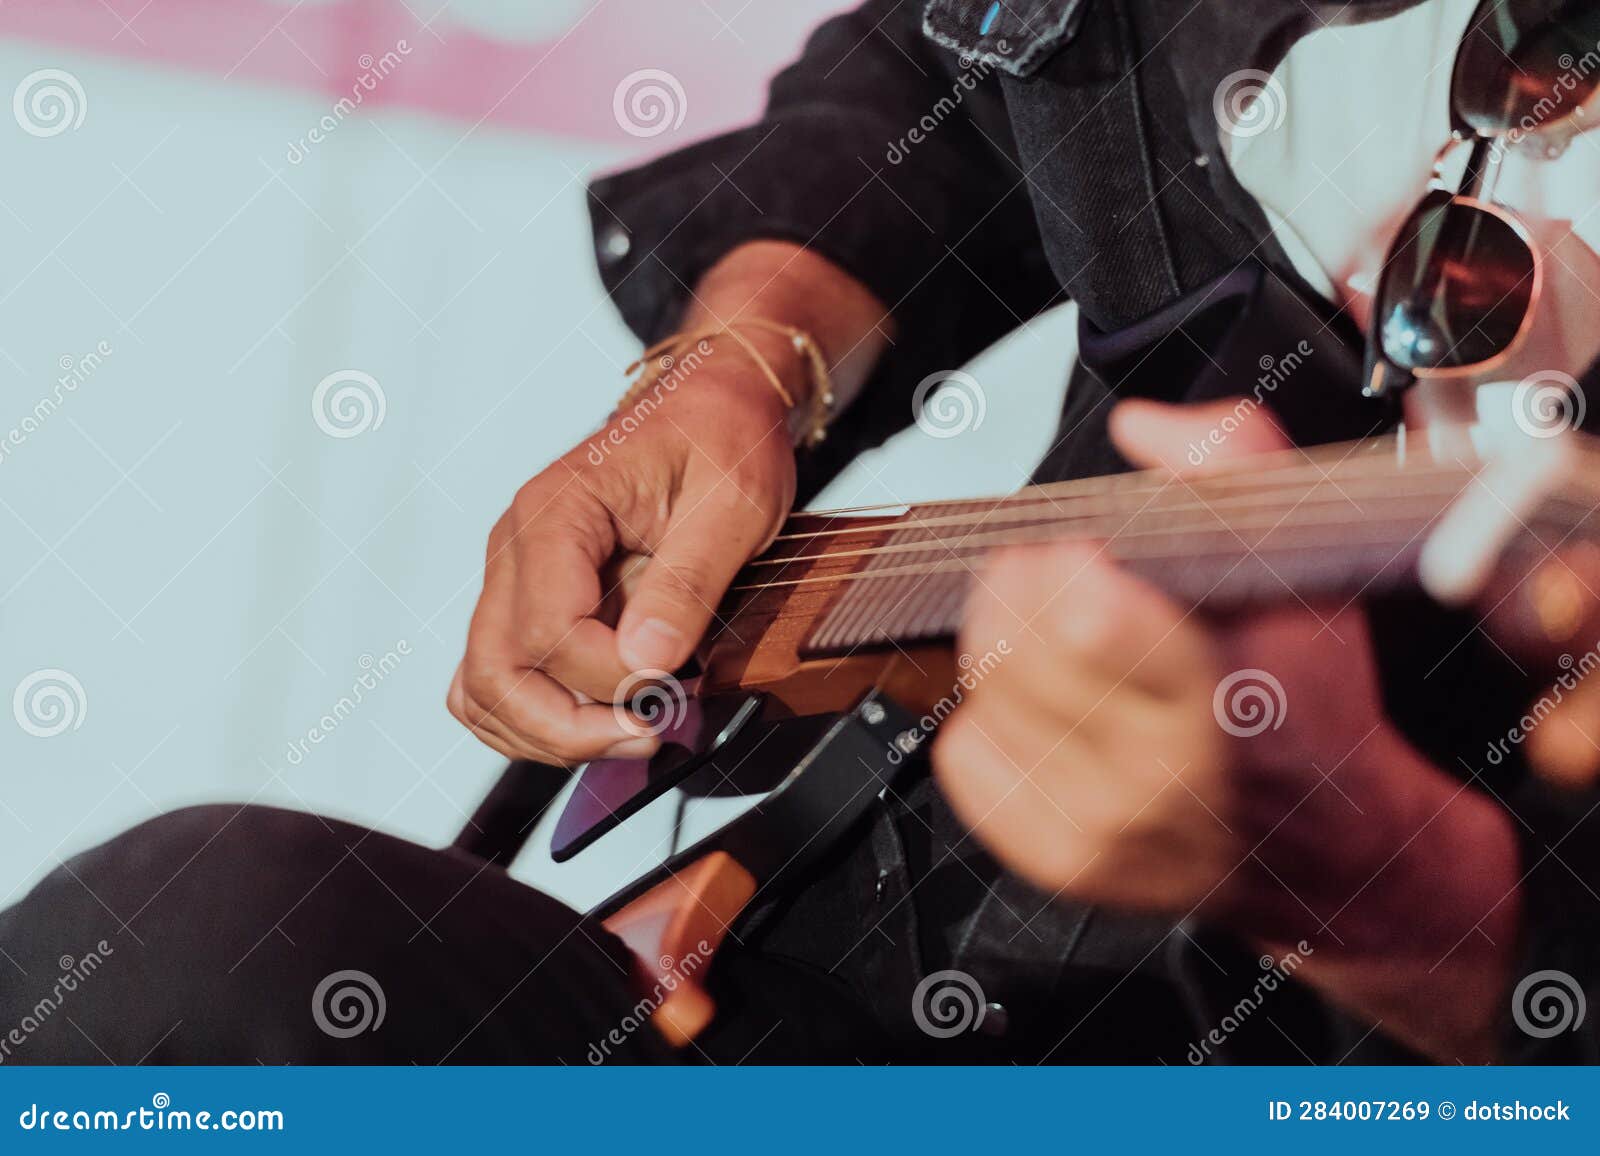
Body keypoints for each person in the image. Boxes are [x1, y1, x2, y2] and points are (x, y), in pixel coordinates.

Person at [4, 0, 1600, 1064]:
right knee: (191, 963)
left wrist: (1385, 893)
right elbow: (961, 73)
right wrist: (739, 363)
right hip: (829, 947)